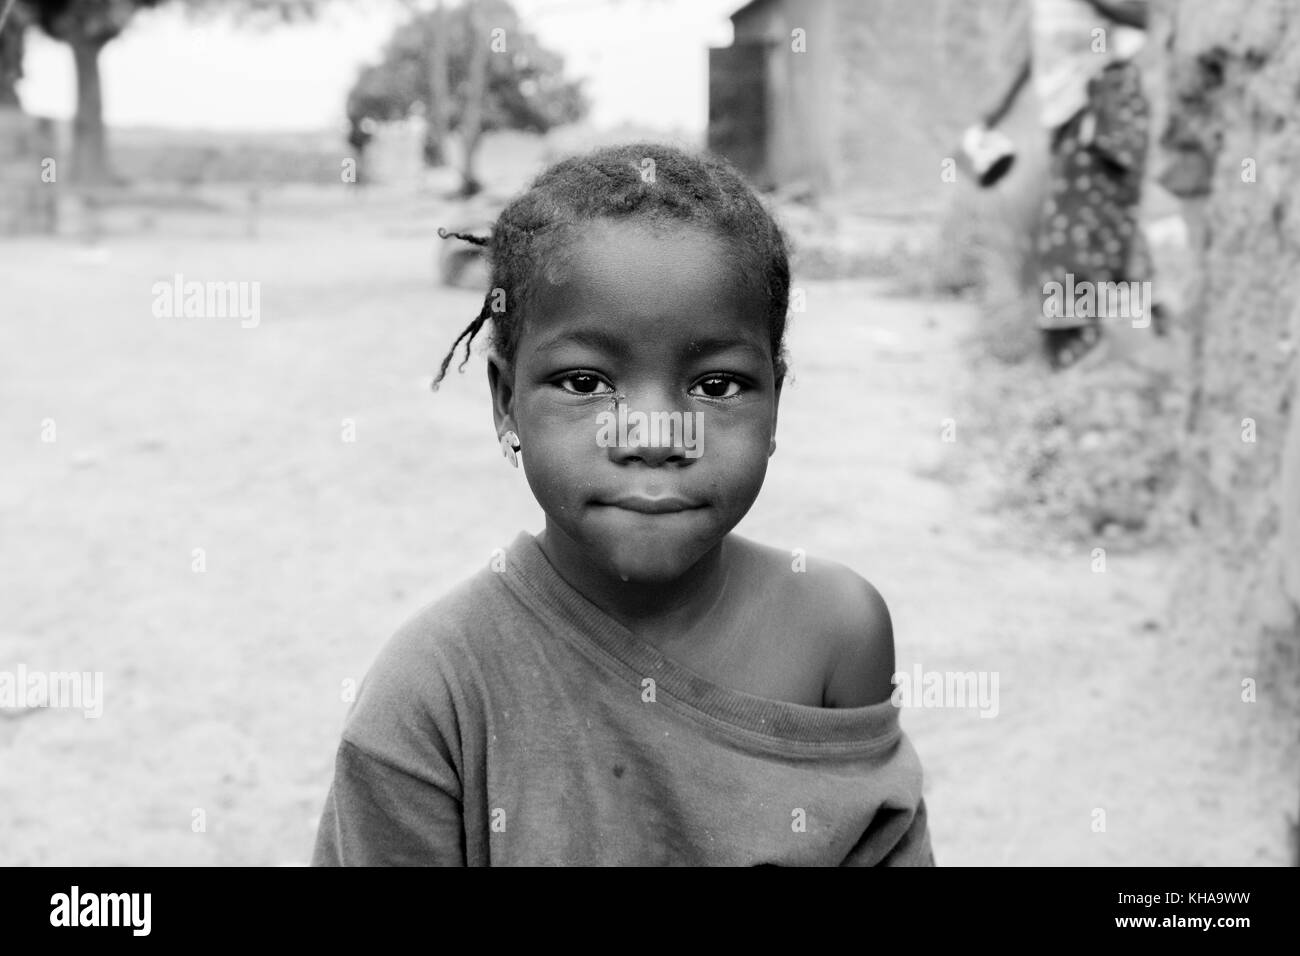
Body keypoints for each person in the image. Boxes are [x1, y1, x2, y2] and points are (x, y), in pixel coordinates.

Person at [310, 143, 934, 866]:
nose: (653, 434)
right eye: (584, 383)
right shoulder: (433, 696)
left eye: (717, 386)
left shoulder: (838, 633)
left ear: (776, 399)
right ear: (505, 403)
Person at [979, 0, 1157, 368]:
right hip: (1067, 117)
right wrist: (994, 112)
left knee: (1104, 230)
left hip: (1104, 112)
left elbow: (1147, 16)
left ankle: (1114, 346)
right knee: (1074, 231)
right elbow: (1035, 52)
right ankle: (1084, 347)